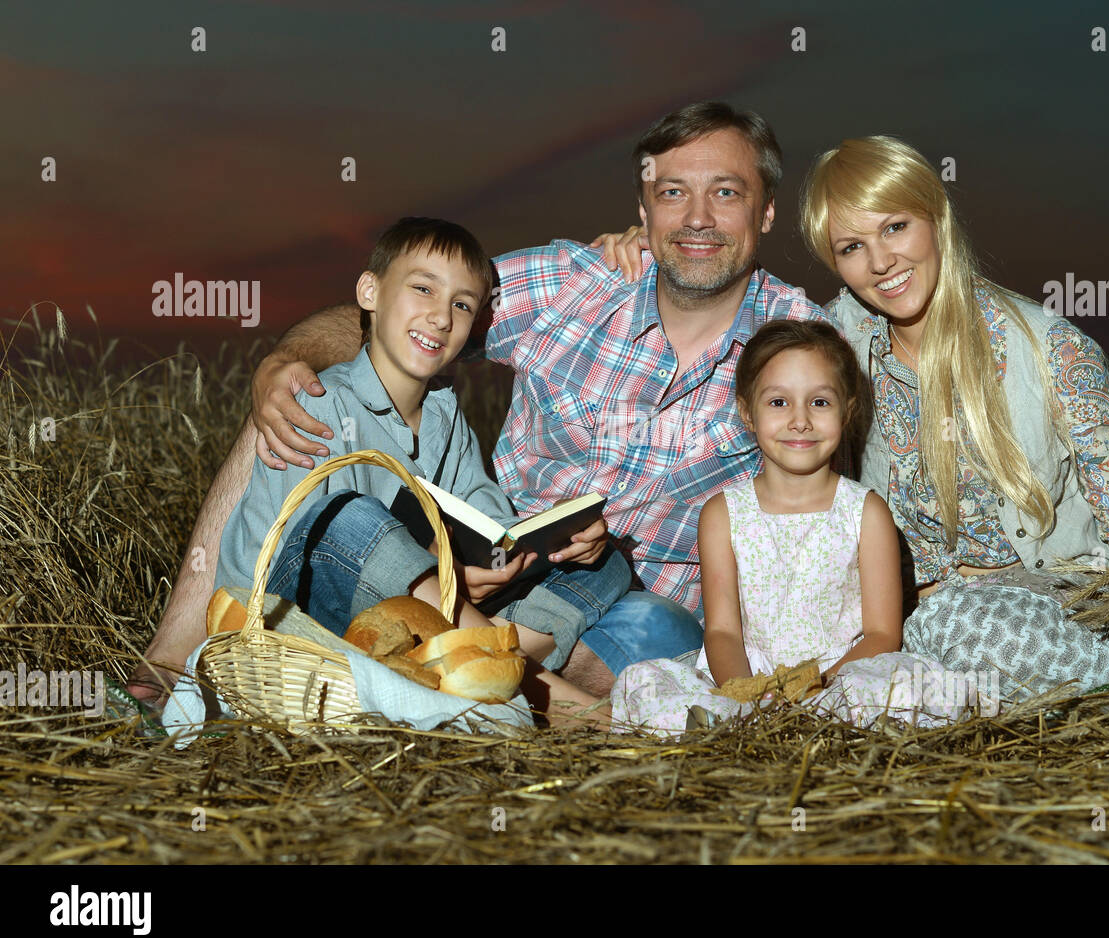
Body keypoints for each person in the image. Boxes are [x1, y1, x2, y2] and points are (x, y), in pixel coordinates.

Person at [129, 101, 824, 707]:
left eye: (726, 192)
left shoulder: (801, 344)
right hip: (453, 573)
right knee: (291, 402)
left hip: (585, 608)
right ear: (643, 210)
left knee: (660, 624)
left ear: (765, 209)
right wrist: (287, 359)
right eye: (673, 192)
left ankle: (446, 675)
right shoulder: (575, 283)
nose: (697, 217)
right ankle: (172, 661)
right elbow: (409, 317)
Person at [797, 135, 1109, 706]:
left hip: (1046, 606)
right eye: (851, 246)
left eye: (894, 227)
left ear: (937, 217)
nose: (881, 261)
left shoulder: (1050, 345)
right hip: (905, 620)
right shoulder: (833, 348)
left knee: (972, 631)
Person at [215, 216, 622, 722]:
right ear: (370, 291)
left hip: (412, 612)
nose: (441, 317)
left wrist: (536, 541)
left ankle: (481, 662)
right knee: (349, 514)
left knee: (606, 557)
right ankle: (554, 698)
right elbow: (323, 544)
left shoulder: (444, 413)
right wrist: (430, 563)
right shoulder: (320, 403)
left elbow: (481, 506)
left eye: (462, 305)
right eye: (423, 289)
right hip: (288, 616)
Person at [611, 320, 979, 735]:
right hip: (752, 682)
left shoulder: (865, 512)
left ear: (848, 410)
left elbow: (881, 634)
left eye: (820, 402)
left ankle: (815, 728)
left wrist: (817, 688)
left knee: (918, 690)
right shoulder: (723, 513)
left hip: (843, 680)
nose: (800, 420)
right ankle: (737, 727)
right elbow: (722, 631)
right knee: (640, 685)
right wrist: (746, 692)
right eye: (778, 402)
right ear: (747, 412)